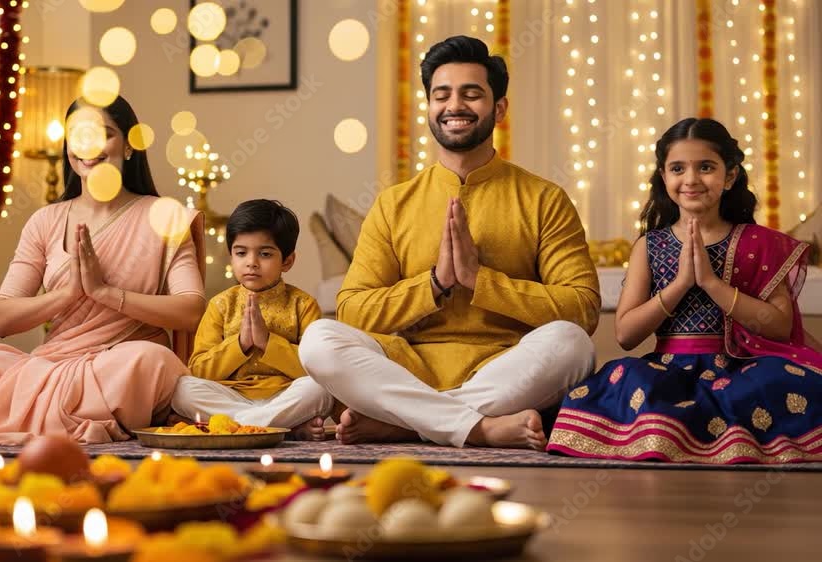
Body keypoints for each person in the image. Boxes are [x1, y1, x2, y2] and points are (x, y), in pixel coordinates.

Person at [298, 36, 599, 450]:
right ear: (429, 107)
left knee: (573, 344)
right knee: (319, 339)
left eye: (471, 94)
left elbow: (582, 308)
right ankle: (477, 428)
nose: (454, 105)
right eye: (442, 95)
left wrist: (480, 281)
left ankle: (410, 425)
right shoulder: (394, 203)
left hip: (504, 367)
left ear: (500, 108)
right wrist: (435, 284)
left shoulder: (543, 198)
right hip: (408, 368)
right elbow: (353, 309)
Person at [0, 96, 207, 445]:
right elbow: (3, 318)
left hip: (117, 366)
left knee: (150, 360)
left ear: (128, 146)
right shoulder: (45, 220)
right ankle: (37, 416)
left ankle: (0, 414)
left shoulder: (164, 216)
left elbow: (191, 310)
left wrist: (106, 293)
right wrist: (68, 294)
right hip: (51, 364)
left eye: (103, 133)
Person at [547, 117, 822, 463]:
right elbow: (626, 335)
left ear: (730, 175)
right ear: (664, 177)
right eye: (678, 168)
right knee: (632, 381)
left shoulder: (760, 243)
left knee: (776, 382)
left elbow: (780, 327)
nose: (691, 179)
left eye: (706, 167)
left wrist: (711, 283)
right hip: (669, 369)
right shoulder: (649, 246)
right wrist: (680, 284)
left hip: (740, 366)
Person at [171, 200, 333, 440]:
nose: (251, 262)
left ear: (287, 261)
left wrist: (268, 343)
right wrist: (241, 344)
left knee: (320, 389)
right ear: (231, 257)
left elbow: (315, 369)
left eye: (265, 254)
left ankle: (238, 427)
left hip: (285, 395)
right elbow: (199, 370)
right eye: (241, 253)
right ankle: (283, 427)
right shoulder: (220, 305)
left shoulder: (303, 305)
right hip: (231, 397)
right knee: (182, 389)